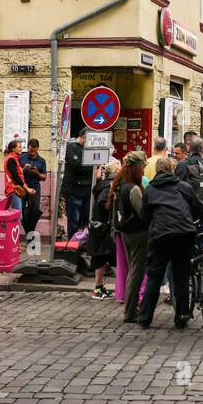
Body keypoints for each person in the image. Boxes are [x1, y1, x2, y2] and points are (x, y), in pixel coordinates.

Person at [136, 156, 203, 329]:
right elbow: (198, 205)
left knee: (154, 276)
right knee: (181, 276)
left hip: (160, 236)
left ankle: (145, 317)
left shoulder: (150, 190)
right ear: (171, 170)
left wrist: (152, 226)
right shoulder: (183, 186)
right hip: (184, 233)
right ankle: (181, 315)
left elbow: (144, 215)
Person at [115, 152, 149, 323]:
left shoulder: (121, 183)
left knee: (132, 271)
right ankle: (130, 311)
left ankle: (131, 307)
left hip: (126, 232)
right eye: (142, 166)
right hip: (137, 234)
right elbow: (142, 213)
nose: (143, 170)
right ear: (136, 168)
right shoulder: (133, 188)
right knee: (136, 272)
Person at [88, 160, 120, 299]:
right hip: (102, 228)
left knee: (103, 258)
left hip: (100, 227)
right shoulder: (108, 187)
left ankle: (100, 287)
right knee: (100, 259)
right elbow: (103, 202)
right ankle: (98, 289)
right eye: (118, 170)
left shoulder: (103, 185)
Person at [62, 132, 96, 240]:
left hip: (87, 190)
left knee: (86, 220)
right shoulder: (71, 147)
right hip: (73, 191)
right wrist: (93, 166)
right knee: (73, 221)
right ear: (83, 137)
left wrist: (90, 165)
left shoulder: (88, 149)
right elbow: (76, 165)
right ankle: (72, 245)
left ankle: (84, 244)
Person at [19, 139, 47, 236]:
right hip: (22, 187)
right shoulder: (21, 158)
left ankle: (29, 234)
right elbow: (16, 173)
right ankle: (29, 234)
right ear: (28, 147)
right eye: (30, 150)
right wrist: (23, 169)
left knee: (34, 211)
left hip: (35, 188)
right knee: (21, 212)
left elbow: (44, 177)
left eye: (34, 151)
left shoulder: (42, 161)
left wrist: (37, 173)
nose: (31, 153)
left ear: (37, 149)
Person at [3, 139, 30, 220]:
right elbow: (14, 176)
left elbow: (16, 173)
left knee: (17, 216)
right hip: (14, 190)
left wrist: (23, 169)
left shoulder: (14, 159)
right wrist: (25, 187)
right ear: (13, 149)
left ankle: (12, 232)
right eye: (19, 147)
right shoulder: (11, 159)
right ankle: (10, 232)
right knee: (18, 217)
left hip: (15, 189)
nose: (21, 148)